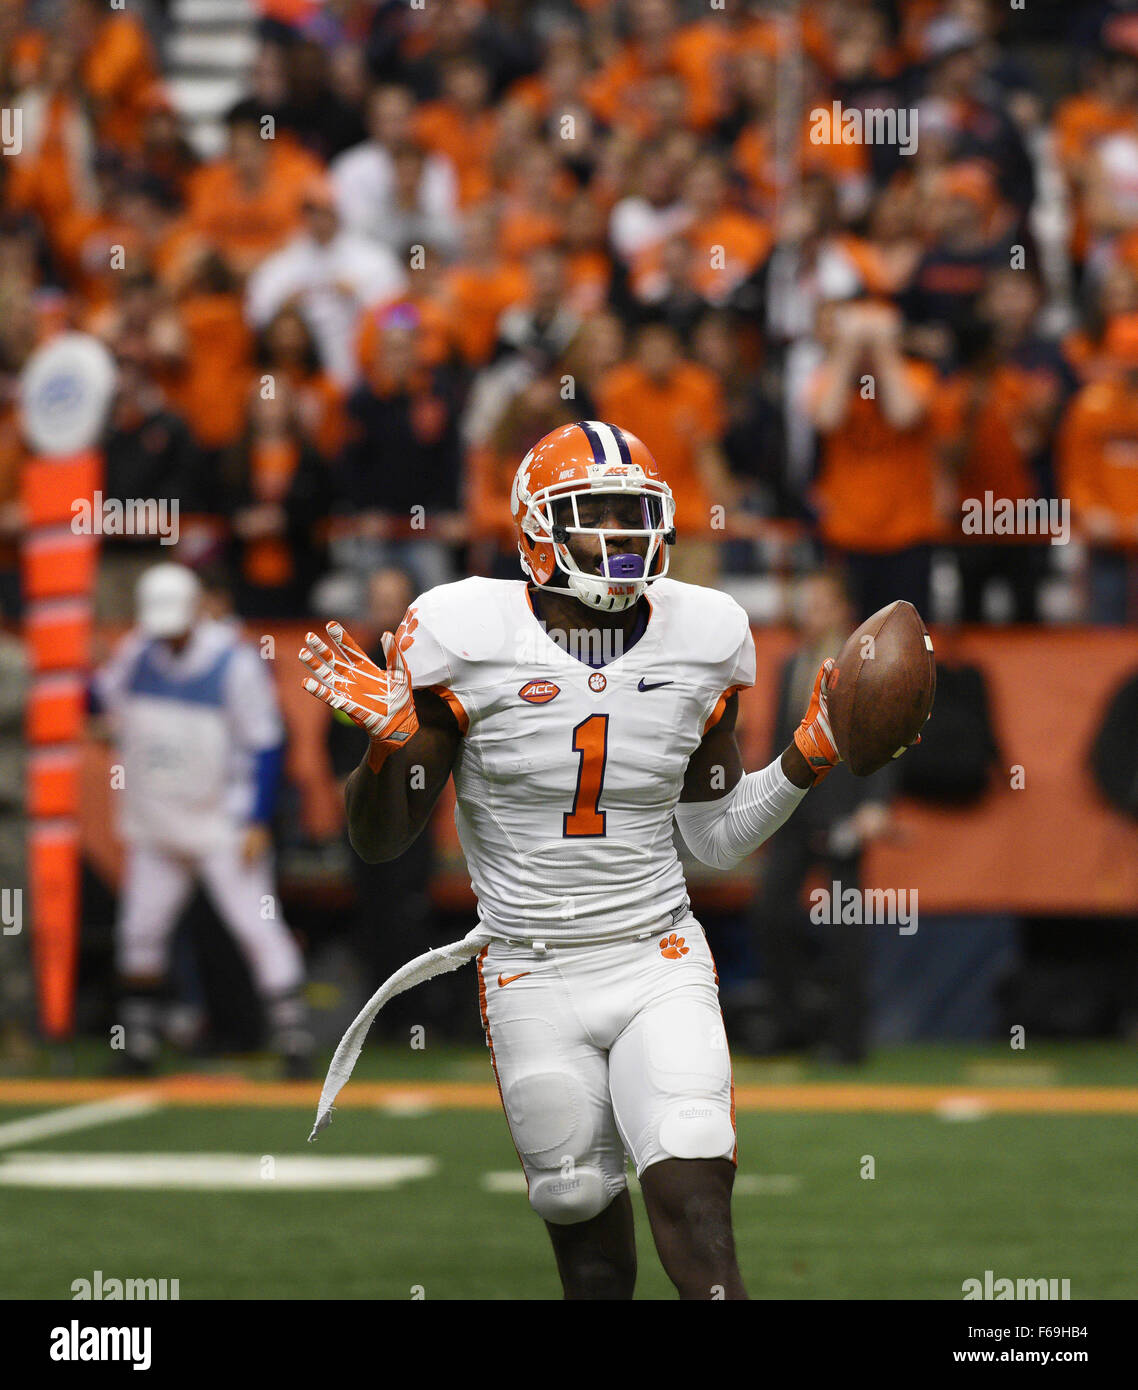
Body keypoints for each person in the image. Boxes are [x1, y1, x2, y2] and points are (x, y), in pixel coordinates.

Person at [298, 420, 862, 1301]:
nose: (624, 537)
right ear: (535, 528)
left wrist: (805, 757)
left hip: (655, 954)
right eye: (595, 513)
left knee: (696, 1196)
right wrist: (386, 749)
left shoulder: (704, 634)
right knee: (584, 1237)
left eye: (636, 514)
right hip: (531, 968)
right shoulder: (460, 632)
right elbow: (378, 839)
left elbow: (712, 839)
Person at [93, 562, 312, 1076]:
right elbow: (100, 703)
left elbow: (266, 743)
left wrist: (258, 819)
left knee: (257, 927)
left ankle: (294, 1037)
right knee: (140, 931)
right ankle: (138, 1045)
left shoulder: (233, 663)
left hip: (222, 823)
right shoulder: (137, 653)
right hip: (156, 822)